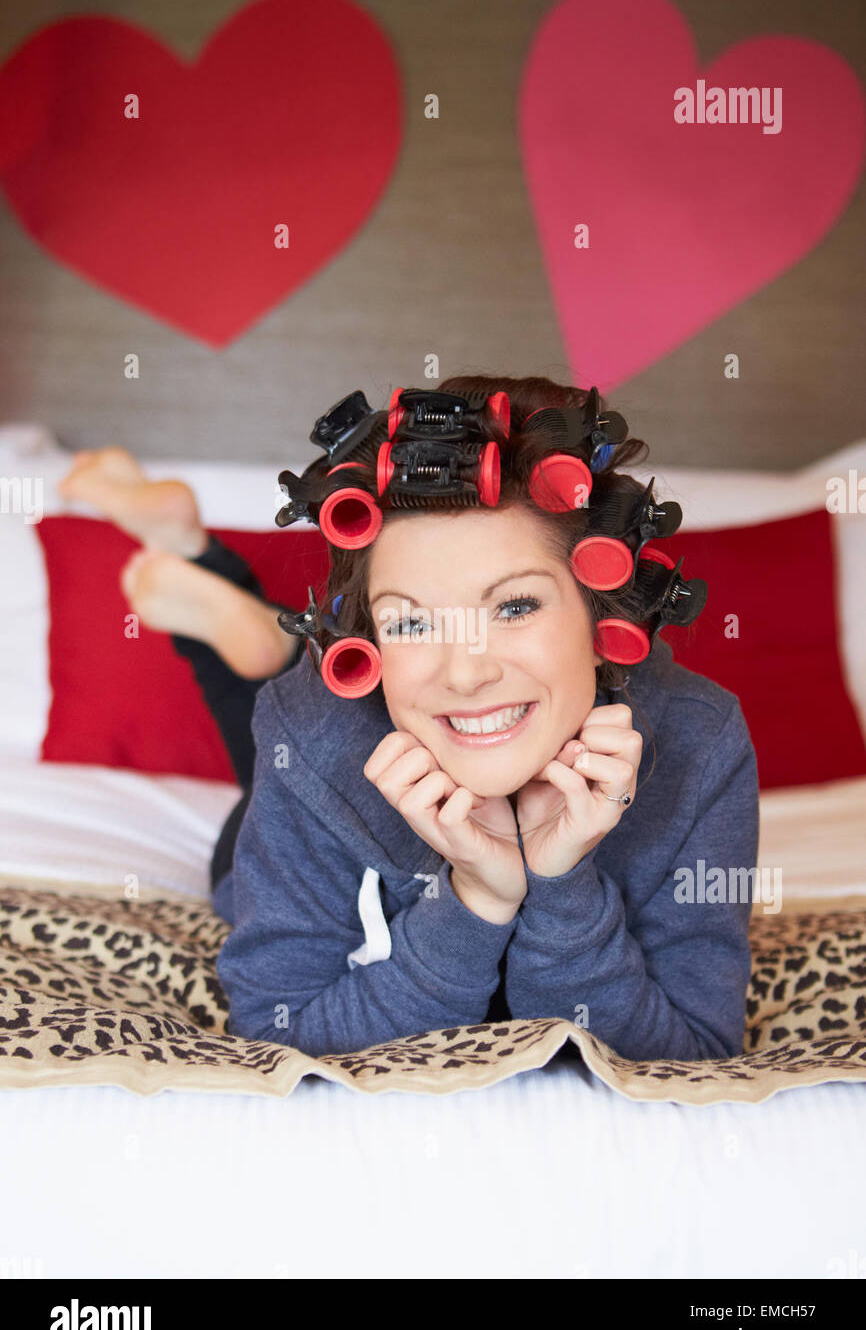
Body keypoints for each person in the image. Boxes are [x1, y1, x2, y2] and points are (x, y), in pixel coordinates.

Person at [59, 375, 759, 1062]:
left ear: (598, 614)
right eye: (411, 622)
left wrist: (561, 886)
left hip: (358, 714)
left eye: (515, 607)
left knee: (303, 711)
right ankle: (224, 591)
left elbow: (693, 1054)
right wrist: (475, 898)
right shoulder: (310, 734)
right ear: (367, 639)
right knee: (290, 729)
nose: (465, 671)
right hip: (322, 735)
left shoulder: (699, 738)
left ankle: (242, 609)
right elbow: (275, 1037)